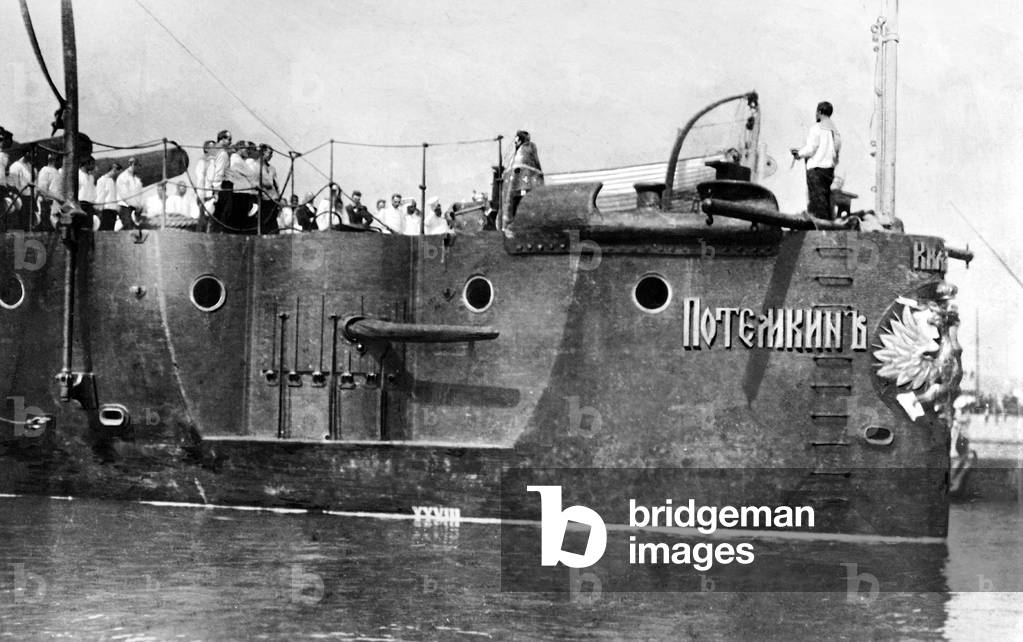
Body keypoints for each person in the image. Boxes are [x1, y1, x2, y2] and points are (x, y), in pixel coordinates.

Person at [791, 101, 841, 220]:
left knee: (816, 202)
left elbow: (811, 148)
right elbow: (836, 151)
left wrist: (799, 154)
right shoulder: (835, 131)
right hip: (829, 171)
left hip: (816, 170)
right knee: (826, 200)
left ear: (819, 112)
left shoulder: (816, 128)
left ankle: (818, 229)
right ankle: (827, 226)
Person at [507, 130, 543, 224]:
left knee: (518, 204)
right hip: (522, 187)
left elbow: (517, 169)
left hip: (522, 187)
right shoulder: (524, 150)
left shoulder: (526, 148)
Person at [209, 130, 233, 232]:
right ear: (222, 139)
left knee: (217, 213)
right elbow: (219, 172)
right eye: (229, 139)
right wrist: (217, 190)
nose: (230, 142)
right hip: (223, 186)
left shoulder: (212, 151)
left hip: (212, 184)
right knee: (223, 213)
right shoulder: (222, 153)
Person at [115, 156, 144, 230]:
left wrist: (139, 206)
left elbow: (139, 194)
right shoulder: (123, 177)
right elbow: (125, 195)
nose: (139, 168)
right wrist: (135, 205)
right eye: (137, 166)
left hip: (135, 208)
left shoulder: (136, 179)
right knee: (129, 228)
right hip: (125, 208)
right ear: (133, 165)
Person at [78, 156, 98, 226]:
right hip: (80, 204)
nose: (94, 166)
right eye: (92, 164)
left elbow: (93, 192)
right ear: (86, 164)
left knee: (89, 226)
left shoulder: (91, 177)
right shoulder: (78, 175)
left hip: (89, 205)